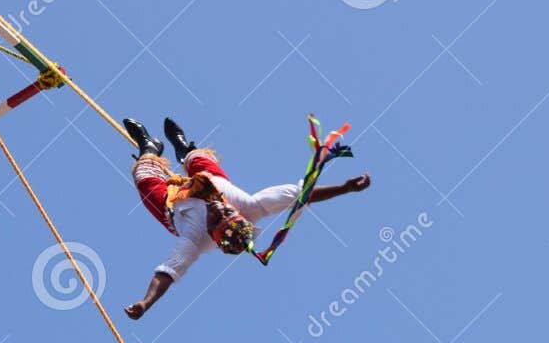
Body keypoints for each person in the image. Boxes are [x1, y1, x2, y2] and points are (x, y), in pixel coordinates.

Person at [121, 118, 370, 320]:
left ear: (213, 234)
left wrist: (146, 303)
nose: (219, 209)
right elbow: (300, 195)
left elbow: (168, 273)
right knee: (199, 160)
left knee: (144, 178)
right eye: (227, 213)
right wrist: (345, 188)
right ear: (238, 215)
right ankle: (183, 147)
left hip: (174, 206)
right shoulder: (252, 208)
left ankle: (149, 148)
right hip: (210, 179)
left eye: (216, 220)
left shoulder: (194, 241)